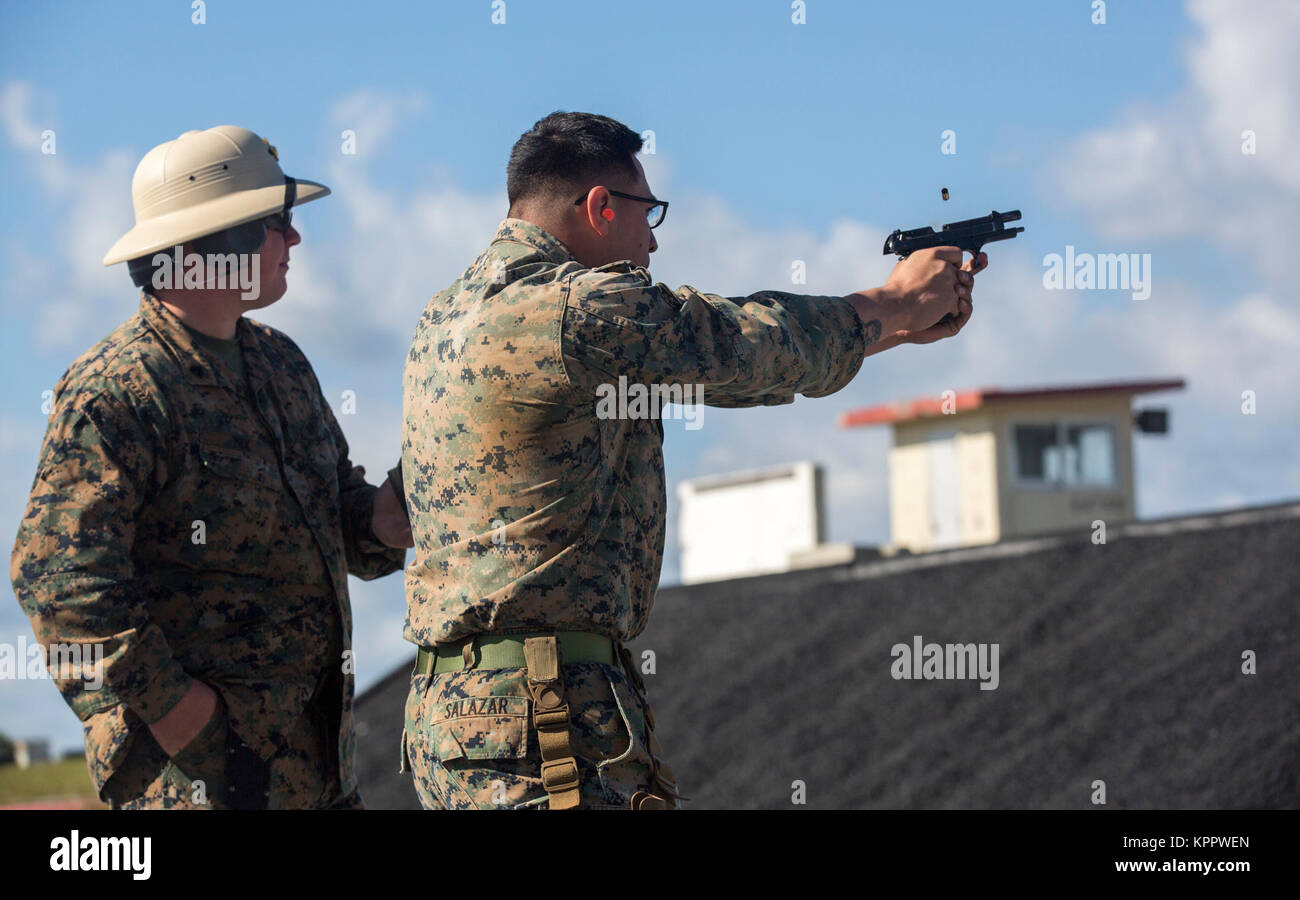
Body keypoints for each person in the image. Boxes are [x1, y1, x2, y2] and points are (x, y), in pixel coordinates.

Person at [400, 111, 984, 810]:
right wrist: (891, 301)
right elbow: (739, 346)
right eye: (649, 214)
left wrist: (890, 327)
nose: (650, 241)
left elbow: (718, 370)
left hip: (464, 718)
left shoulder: (446, 315)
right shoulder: (578, 309)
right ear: (599, 206)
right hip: (543, 716)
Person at [10, 125, 412, 809]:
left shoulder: (282, 364)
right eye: (277, 222)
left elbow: (338, 512)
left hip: (317, 774)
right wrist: (175, 709)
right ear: (218, 243)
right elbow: (58, 579)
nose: (295, 240)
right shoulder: (118, 390)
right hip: (199, 788)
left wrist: (383, 515)